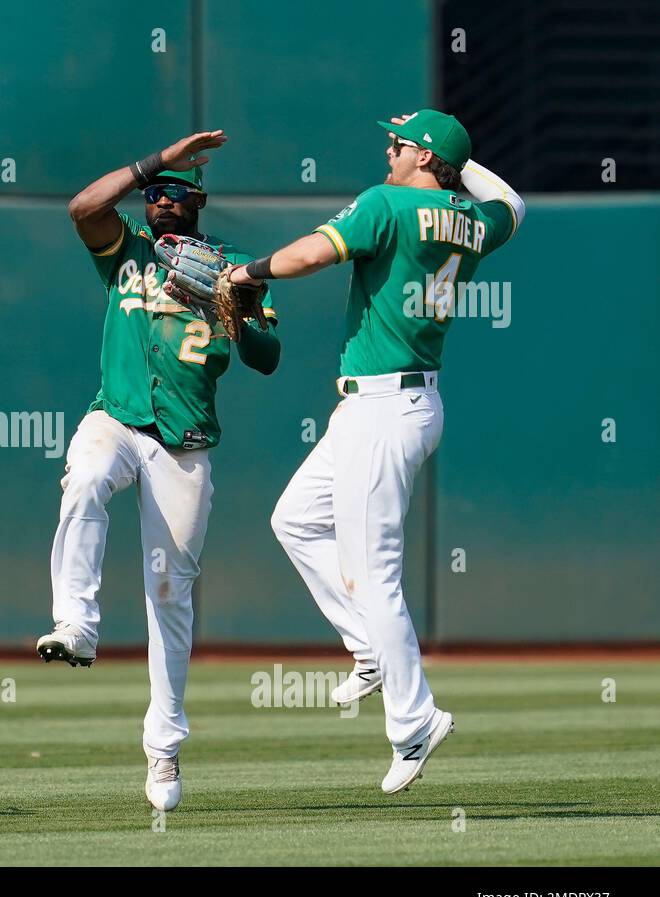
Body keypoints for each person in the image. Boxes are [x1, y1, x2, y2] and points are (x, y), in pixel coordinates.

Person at [225, 110, 525, 793]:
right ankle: (368, 649)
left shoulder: (388, 202)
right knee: (295, 519)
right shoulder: (472, 222)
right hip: (398, 404)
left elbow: (312, 253)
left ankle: (414, 721)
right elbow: (513, 203)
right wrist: (457, 165)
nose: (386, 150)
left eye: (398, 143)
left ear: (420, 155)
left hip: (384, 409)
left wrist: (249, 270)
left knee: (376, 575)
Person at [38, 130, 281, 810]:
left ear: (199, 201)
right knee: (85, 479)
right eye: (153, 194)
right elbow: (82, 208)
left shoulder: (235, 265)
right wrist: (156, 161)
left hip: (185, 440)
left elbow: (267, 357)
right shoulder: (128, 253)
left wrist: (228, 306)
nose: (161, 201)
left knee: (170, 592)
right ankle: (77, 623)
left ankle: (164, 750)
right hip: (116, 416)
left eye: (175, 192)